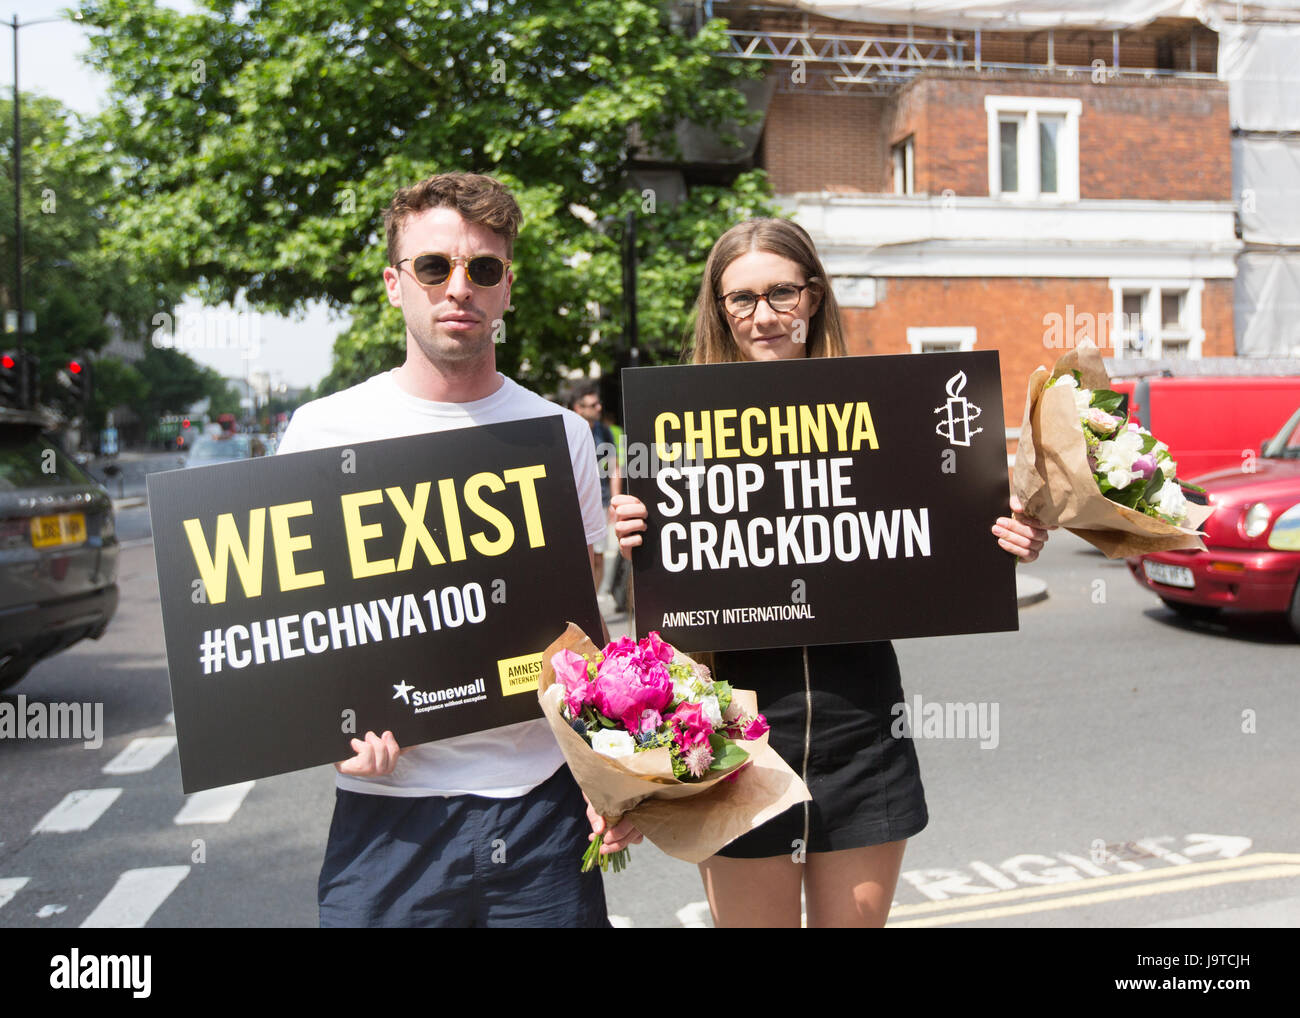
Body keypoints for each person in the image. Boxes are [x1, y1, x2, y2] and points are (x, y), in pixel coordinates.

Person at [610, 218, 1051, 928]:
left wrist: (1006, 533)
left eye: (780, 293)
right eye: (740, 299)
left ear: (813, 295)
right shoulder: (674, 431)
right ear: (718, 309)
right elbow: (666, 610)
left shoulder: (893, 410)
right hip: (729, 738)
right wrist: (637, 534)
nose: (762, 316)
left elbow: (951, 530)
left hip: (862, 726)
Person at [276, 172, 637, 927]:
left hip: (541, 812)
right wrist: (326, 732)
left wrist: (610, 779)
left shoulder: (560, 435)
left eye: (484, 269)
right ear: (393, 282)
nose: (458, 287)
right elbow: (295, 633)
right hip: (388, 818)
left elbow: (579, 637)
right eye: (434, 266)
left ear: (507, 288)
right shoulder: (322, 433)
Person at [567, 381, 621, 593]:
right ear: (578, 408)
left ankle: (594, 603)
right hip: (572, 505)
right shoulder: (566, 430)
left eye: (599, 403)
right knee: (577, 558)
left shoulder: (603, 432)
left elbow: (614, 466)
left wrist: (614, 501)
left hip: (599, 501)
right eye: (593, 405)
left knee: (598, 557)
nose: (599, 408)